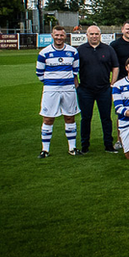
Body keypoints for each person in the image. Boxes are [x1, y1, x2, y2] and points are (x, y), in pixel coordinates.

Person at [36, 26, 82, 158]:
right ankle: (45, 150)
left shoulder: (72, 51)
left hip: (68, 88)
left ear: (65, 36)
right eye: (56, 35)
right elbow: (39, 73)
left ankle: (72, 148)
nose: (59, 38)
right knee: (48, 118)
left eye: (61, 35)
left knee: (70, 116)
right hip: (51, 89)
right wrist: (52, 82)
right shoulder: (44, 53)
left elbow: (75, 70)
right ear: (52, 35)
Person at [76, 25, 119, 153]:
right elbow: (74, 69)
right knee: (86, 118)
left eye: (96, 34)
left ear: (100, 35)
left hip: (104, 89)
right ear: (87, 35)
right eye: (91, 34)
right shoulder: (80, 50)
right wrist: (77, 85)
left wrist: (112, 83)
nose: (94, 36)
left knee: (106, 118)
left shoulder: (108, 49)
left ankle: (108, 144)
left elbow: (115, 66)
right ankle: (85, 145)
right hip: (85, 90)